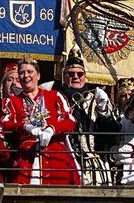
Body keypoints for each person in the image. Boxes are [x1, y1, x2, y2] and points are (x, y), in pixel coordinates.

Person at [0, 58, 80, 185]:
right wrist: (26, 127)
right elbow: (6, 123)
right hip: (26, 157)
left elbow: (70, 120)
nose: (26, 75)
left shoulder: (54, 96)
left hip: (55, 156)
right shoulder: (12, 101)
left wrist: (52, 129)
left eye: (30, 72)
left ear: (38, 75)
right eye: (22, 72)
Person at [49, 45, 118, 185]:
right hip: (62, 161)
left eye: (79, 74)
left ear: (85, 77)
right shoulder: (54, 97)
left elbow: (112, 134)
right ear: (64, 76)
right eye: (71, 74)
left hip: (91, 164)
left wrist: (104, 112)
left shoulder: (96, 98)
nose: (75, 77)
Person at [110, 78, 134, 186]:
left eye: (130, 94)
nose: (127, 98)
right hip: (119, 163)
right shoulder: (114, 115)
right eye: (123, 95)